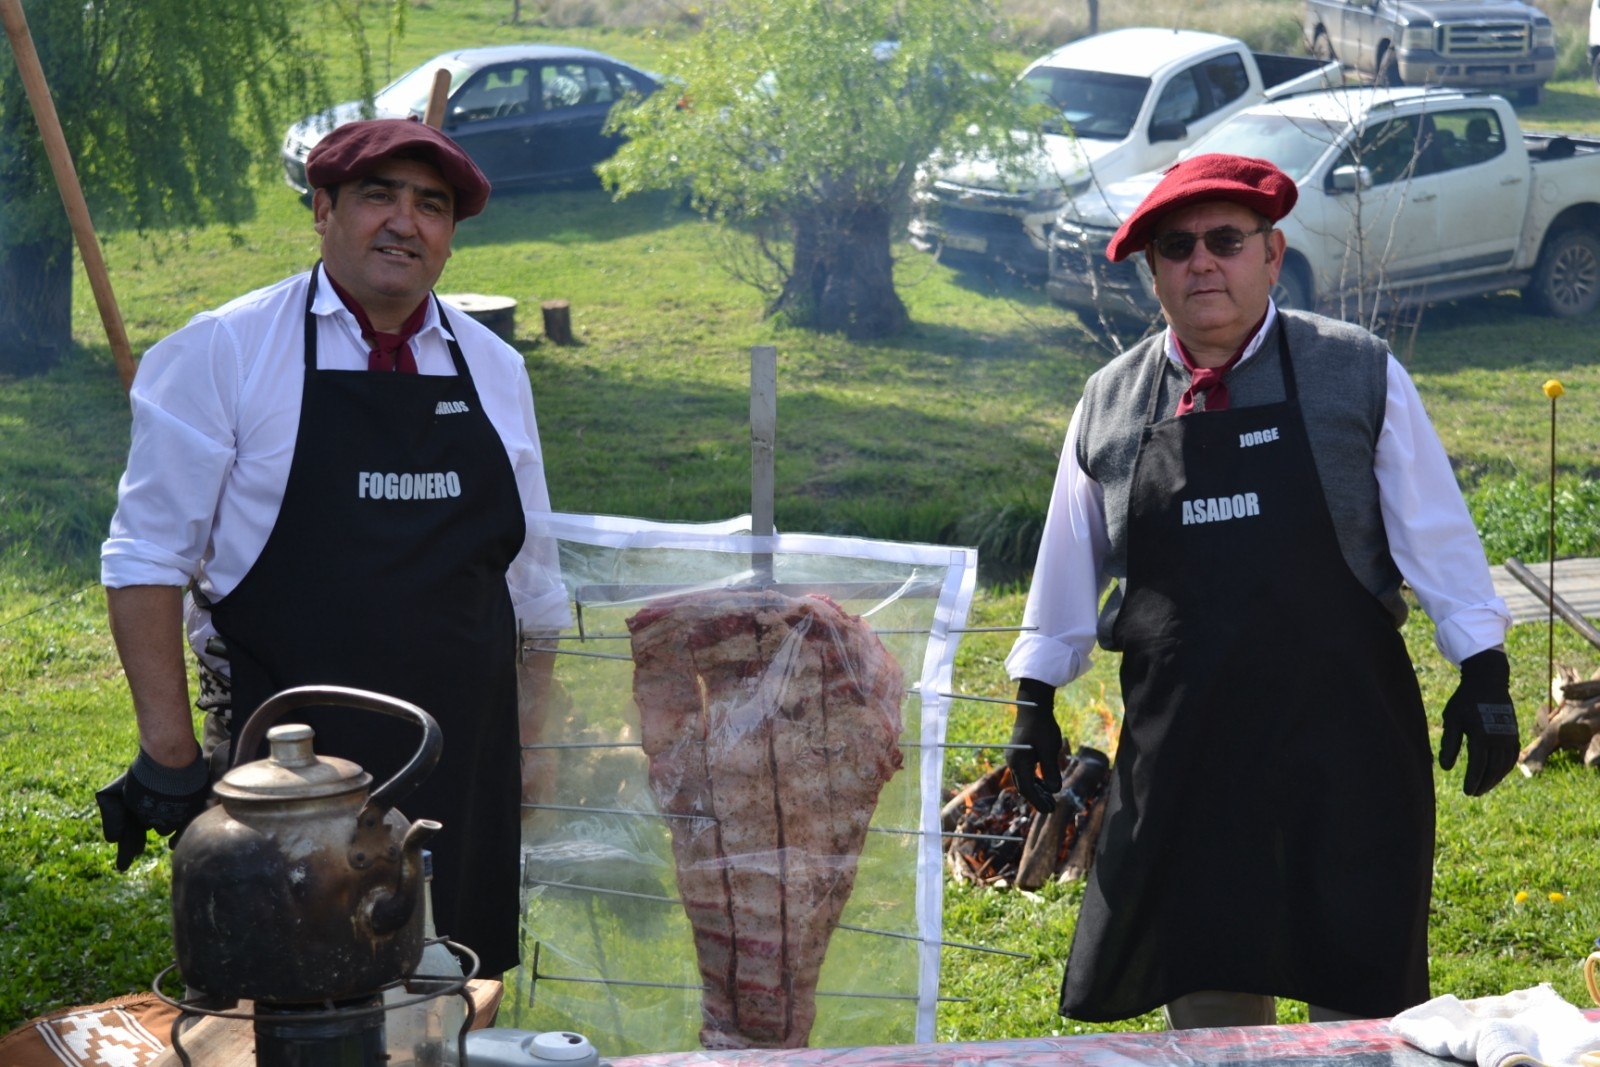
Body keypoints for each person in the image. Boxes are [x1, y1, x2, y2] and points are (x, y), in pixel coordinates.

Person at [1004, 154, 1520, 1029]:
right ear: (1154, 272)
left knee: (1360, 996)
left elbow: (1438, 534)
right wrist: (1033, 695)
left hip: (1345, 744)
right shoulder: (1110, 403)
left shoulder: (1356, 372)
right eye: (1178, 246)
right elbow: (1065, 564)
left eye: (1226, 241)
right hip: (1190, 756)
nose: (1203, 262)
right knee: (1209, 989)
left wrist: (1486, 671)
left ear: (1272, 255)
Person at [95, 118, 570, 981]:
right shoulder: (224, 352)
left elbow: (533, 585)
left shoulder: (496, 369)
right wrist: (168, 756)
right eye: (377, 196)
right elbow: (145, 559)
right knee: (294, 997)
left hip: (462, 763)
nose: (405, 222)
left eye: (431, 205)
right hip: (288, 771)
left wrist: (531, 741)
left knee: (453, 991)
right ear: (322, 209)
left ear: (450, 235)